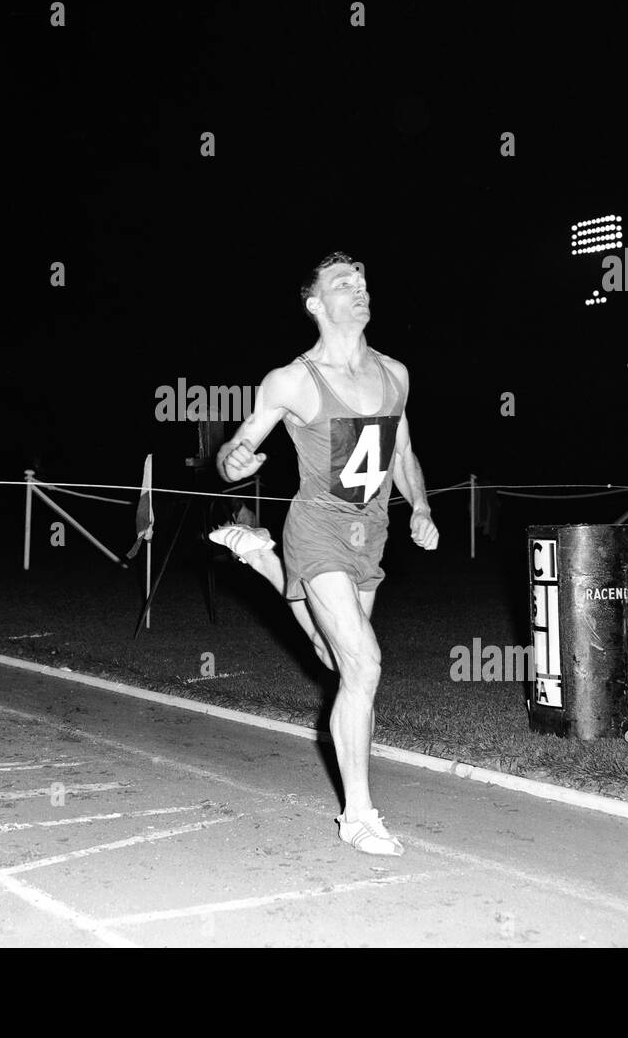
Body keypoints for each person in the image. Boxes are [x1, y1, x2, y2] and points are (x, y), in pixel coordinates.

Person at [212, 252, 439, 856]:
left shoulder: (396, 373)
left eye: (363, 281)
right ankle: (359, 814)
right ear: (316, 304)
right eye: (344, 284)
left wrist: (419, 506)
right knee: (364, 664)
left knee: (332, 657)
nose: (359, 290)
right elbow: (237, 447)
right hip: (316, 528)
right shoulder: (291, 380)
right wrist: (233, 461)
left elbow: (402, 451)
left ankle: (262, 560)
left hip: (372, 532)